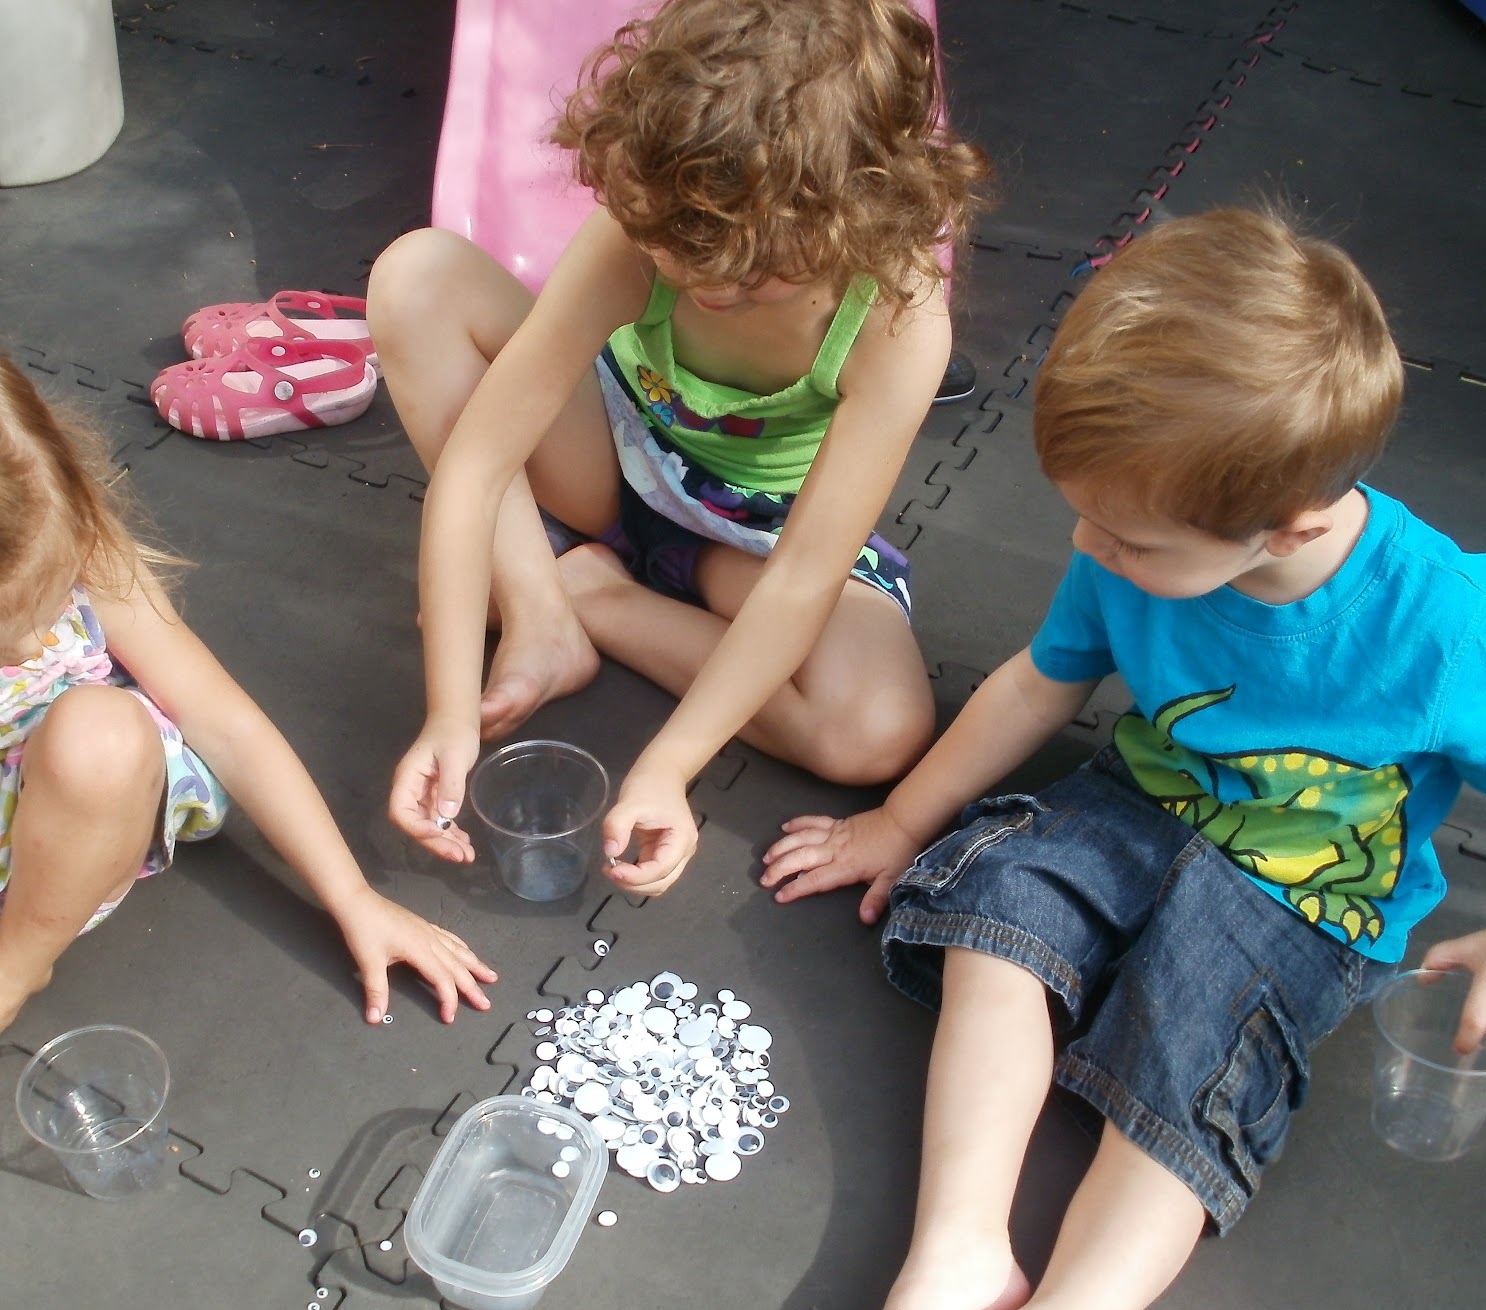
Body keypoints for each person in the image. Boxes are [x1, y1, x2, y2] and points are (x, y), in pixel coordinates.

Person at [761, 207, 1486, 1310]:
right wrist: (898, 819)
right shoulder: (1136, 518)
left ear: (1292, 528)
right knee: (996, 894)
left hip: (1305, 897)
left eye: (1127, 538)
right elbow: (1037, 681)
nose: (1086, 543)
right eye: (1087, 515)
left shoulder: (1444, 628)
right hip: (1139, 804)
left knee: (1194, 1028)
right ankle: (958, 1245)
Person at [372, 0, 988, 896]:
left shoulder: (896, 318)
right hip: (613, 464)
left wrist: (670, 765)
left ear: (862, 212)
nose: (709, 289)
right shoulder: (653, 227)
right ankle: (541, 610)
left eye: (753, 277)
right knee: (416, 274)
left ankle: (586, 599)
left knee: (877, 731)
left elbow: (802, 578)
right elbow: (475, 466)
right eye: (681, 259)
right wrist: (448, 714)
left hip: (755, 537)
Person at [0, 353, 497, 1036]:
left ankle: (20, 961)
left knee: (103, 738)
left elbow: (226, 724)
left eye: (47, 608)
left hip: (66, 821)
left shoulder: (72, 534)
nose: (33, 649)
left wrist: (354, 897)